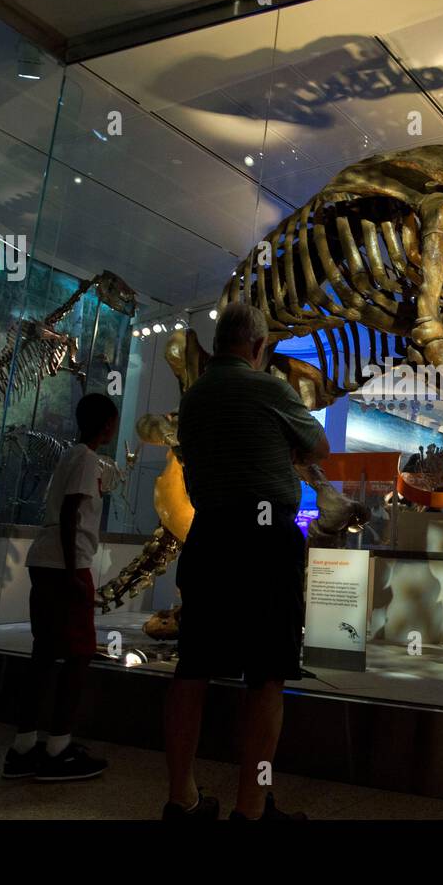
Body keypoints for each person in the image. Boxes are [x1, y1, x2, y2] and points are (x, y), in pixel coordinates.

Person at [162, 302, 329, 820]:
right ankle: (251, 809)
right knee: (266, 675)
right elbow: (319, 445)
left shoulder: (194, 398)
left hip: (209, 535)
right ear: (258, 346)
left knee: (192, 668)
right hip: (265, 541)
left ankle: (181, 798)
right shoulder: (269, 389)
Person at [4, 393, 120, 781]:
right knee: (79, 654)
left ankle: (23, 746)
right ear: (108, 424)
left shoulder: (73, 456)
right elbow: (71, 511)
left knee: (45, 651)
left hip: (46, 559)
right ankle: (58, 748)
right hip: (64, 564)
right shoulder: (86, 459)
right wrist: (73, 572)